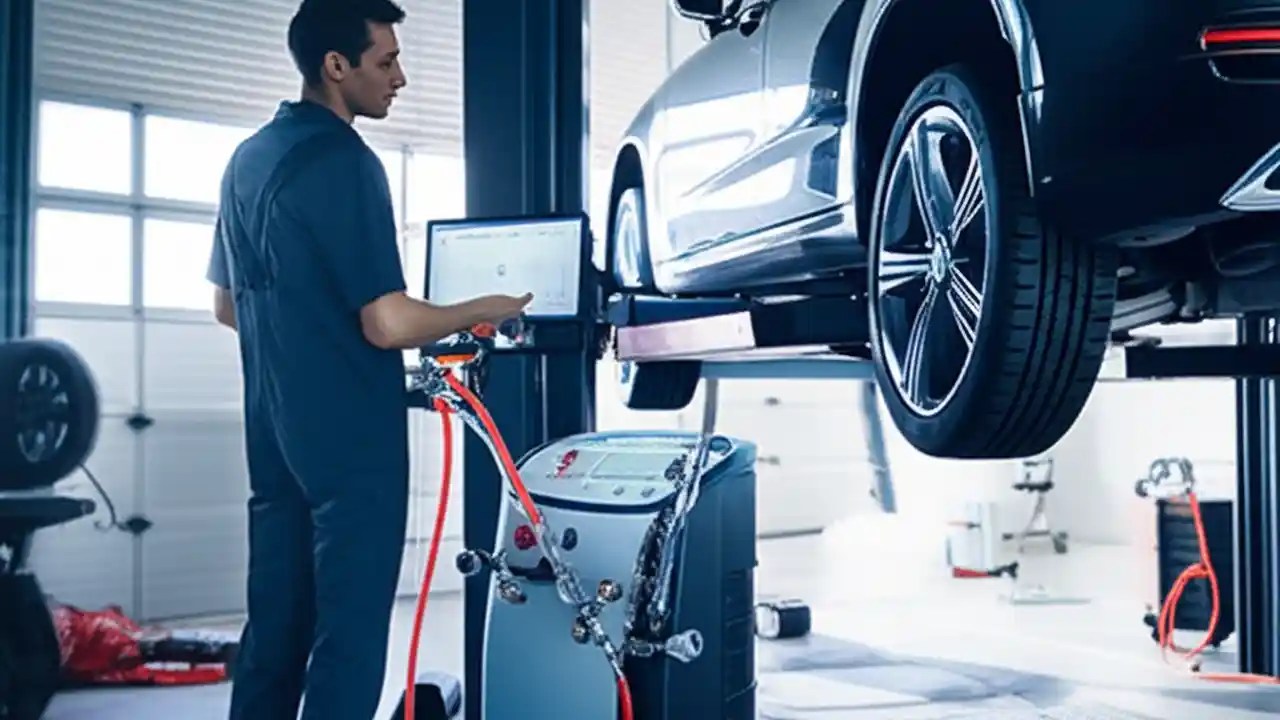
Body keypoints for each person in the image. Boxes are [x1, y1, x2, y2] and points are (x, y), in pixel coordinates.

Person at [205, 1, 531, 718]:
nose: (401, 78)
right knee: (347, 639)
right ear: (336, 66)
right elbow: (386, 323)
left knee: (275, 632)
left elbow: (229, 307)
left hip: (275, 441)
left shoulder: (248, 159)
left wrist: (305, 347)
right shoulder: (346, 163)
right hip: (353, 446)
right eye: (386, 62)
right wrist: (486, 308)